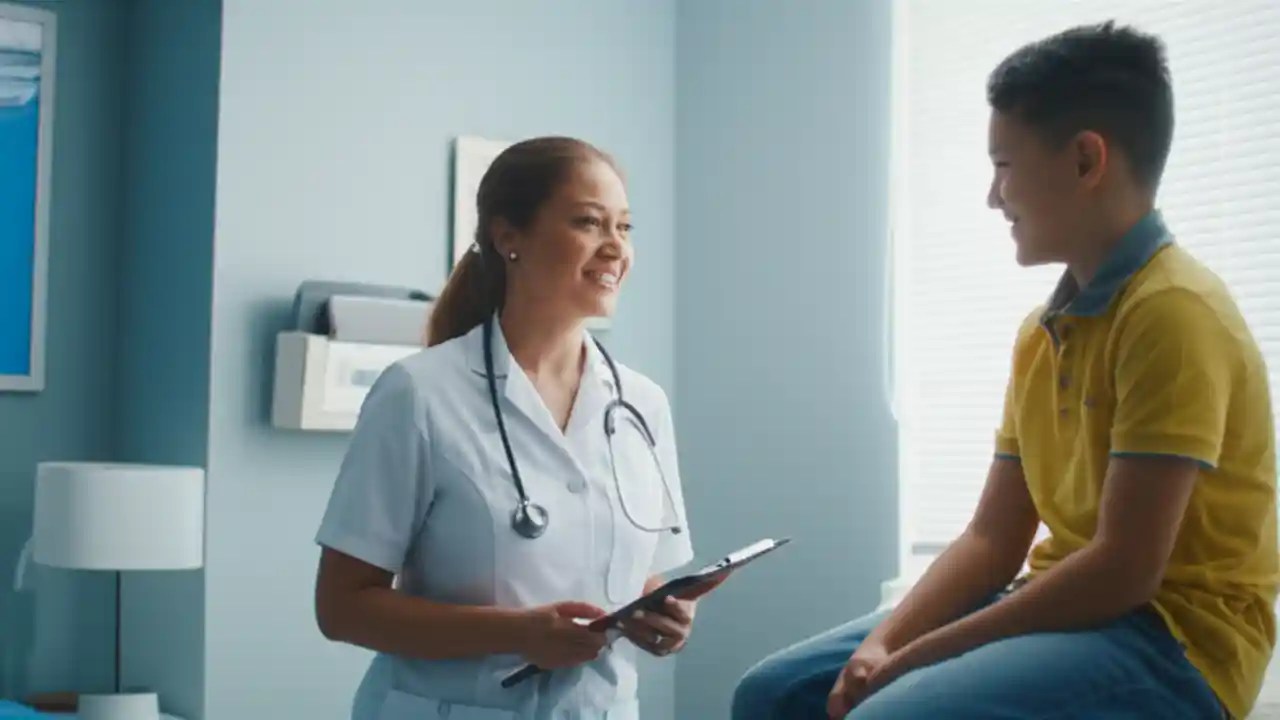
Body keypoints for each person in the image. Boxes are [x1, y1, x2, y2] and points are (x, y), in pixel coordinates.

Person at [732, 21, 1277, 720]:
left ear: (1086, 161)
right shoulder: (1041, 334)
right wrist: (885, 640)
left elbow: (1123, 572)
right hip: (1068, 610)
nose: (994, 197)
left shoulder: (1172, 311)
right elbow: (994, 537)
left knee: (889, 714)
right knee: (772, 695)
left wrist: (915, 658)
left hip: (1176, 641)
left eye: (1003, 166)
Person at [313, 136, 711, 720]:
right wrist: (517, 633)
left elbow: (638, 568)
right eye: (588, 222)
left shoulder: (642, 405)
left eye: (624, 228)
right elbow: (342, 609)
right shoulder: (419, 395)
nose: (614, 248)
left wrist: (662, 615)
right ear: (508, 238)